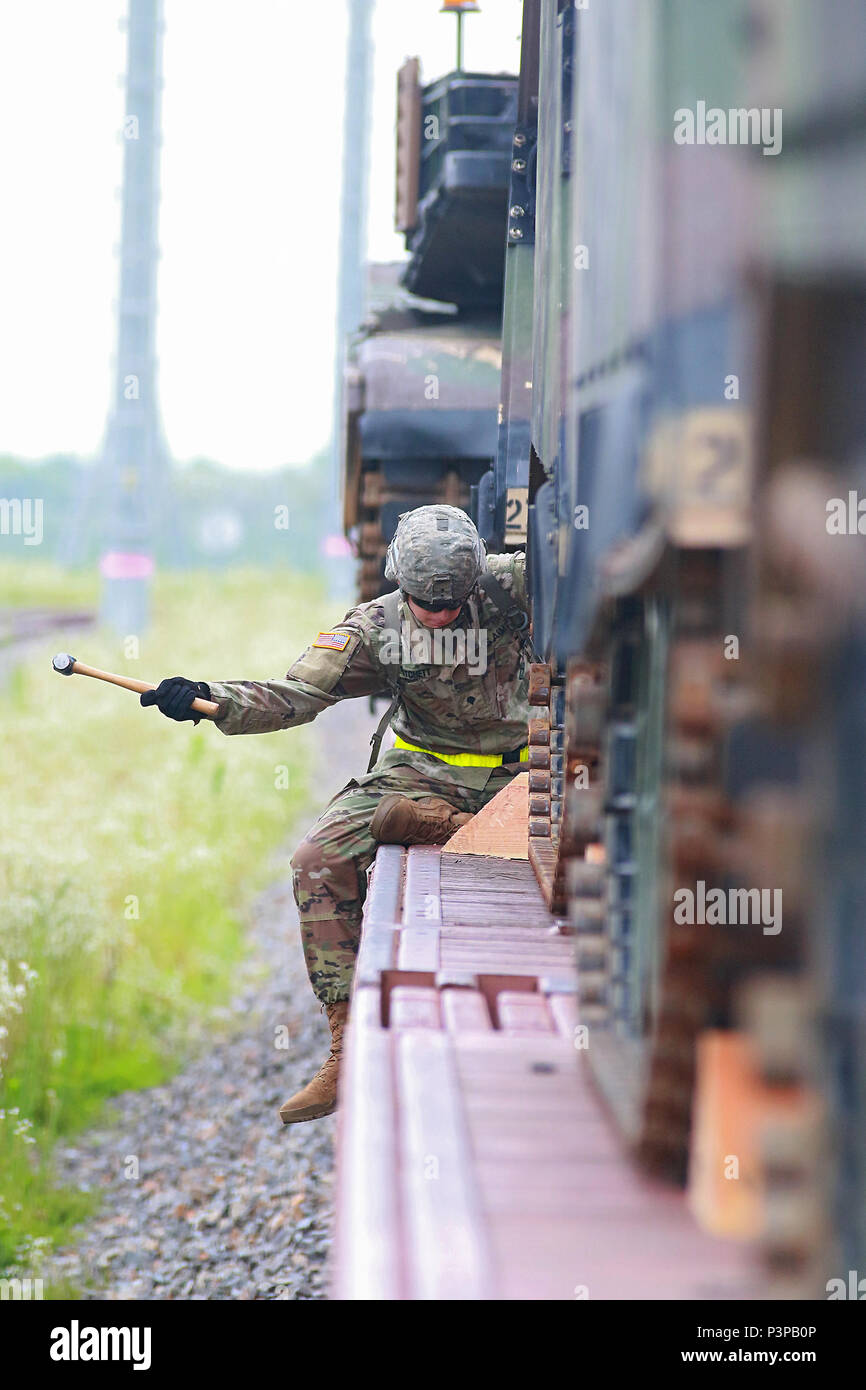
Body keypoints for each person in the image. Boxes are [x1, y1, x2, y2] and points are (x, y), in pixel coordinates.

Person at [142, 505, 533, 1123]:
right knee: (315, 859)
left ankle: (448, 826)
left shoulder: (518, 583)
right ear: (399, 580)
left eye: (454, 602)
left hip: (521, 773)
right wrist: (208, 700)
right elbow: (298, 695)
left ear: (475, 580)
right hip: (421, 769)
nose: (440, 614)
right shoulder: (374, 628)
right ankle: (348, 1045)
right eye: (427, 605)